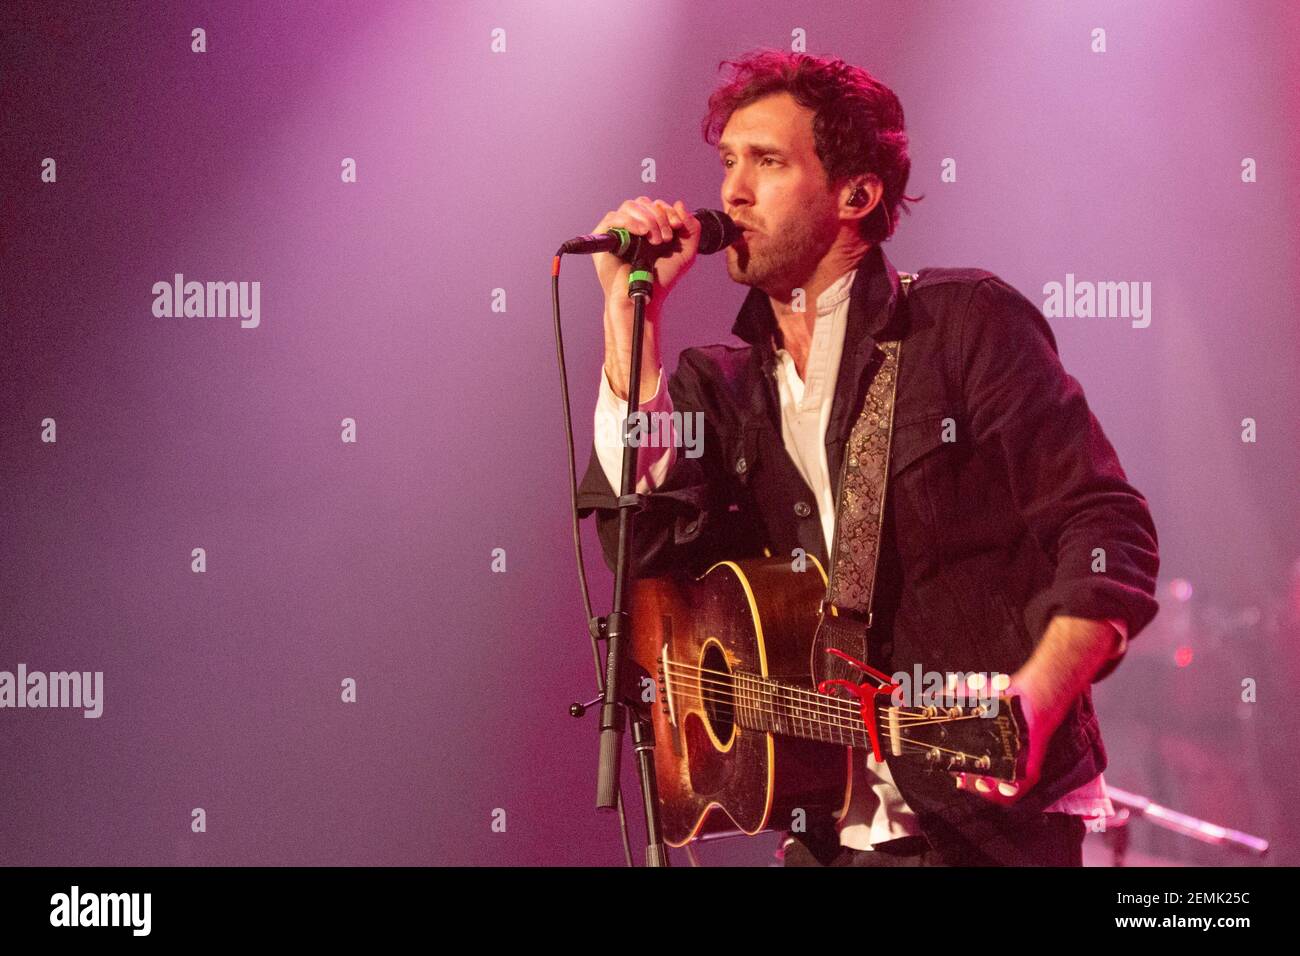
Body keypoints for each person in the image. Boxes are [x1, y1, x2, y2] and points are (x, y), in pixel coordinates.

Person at [576, 49, 1159, 866]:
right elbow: (644, 553)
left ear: (857, 194)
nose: (732, 191)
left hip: (985, 828)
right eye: (729, 162)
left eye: (768, 162)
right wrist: (627, 325)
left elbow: (1106, 527)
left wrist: (1036, 697)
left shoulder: (962, 328)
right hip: (827, 831)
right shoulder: (724, 385)